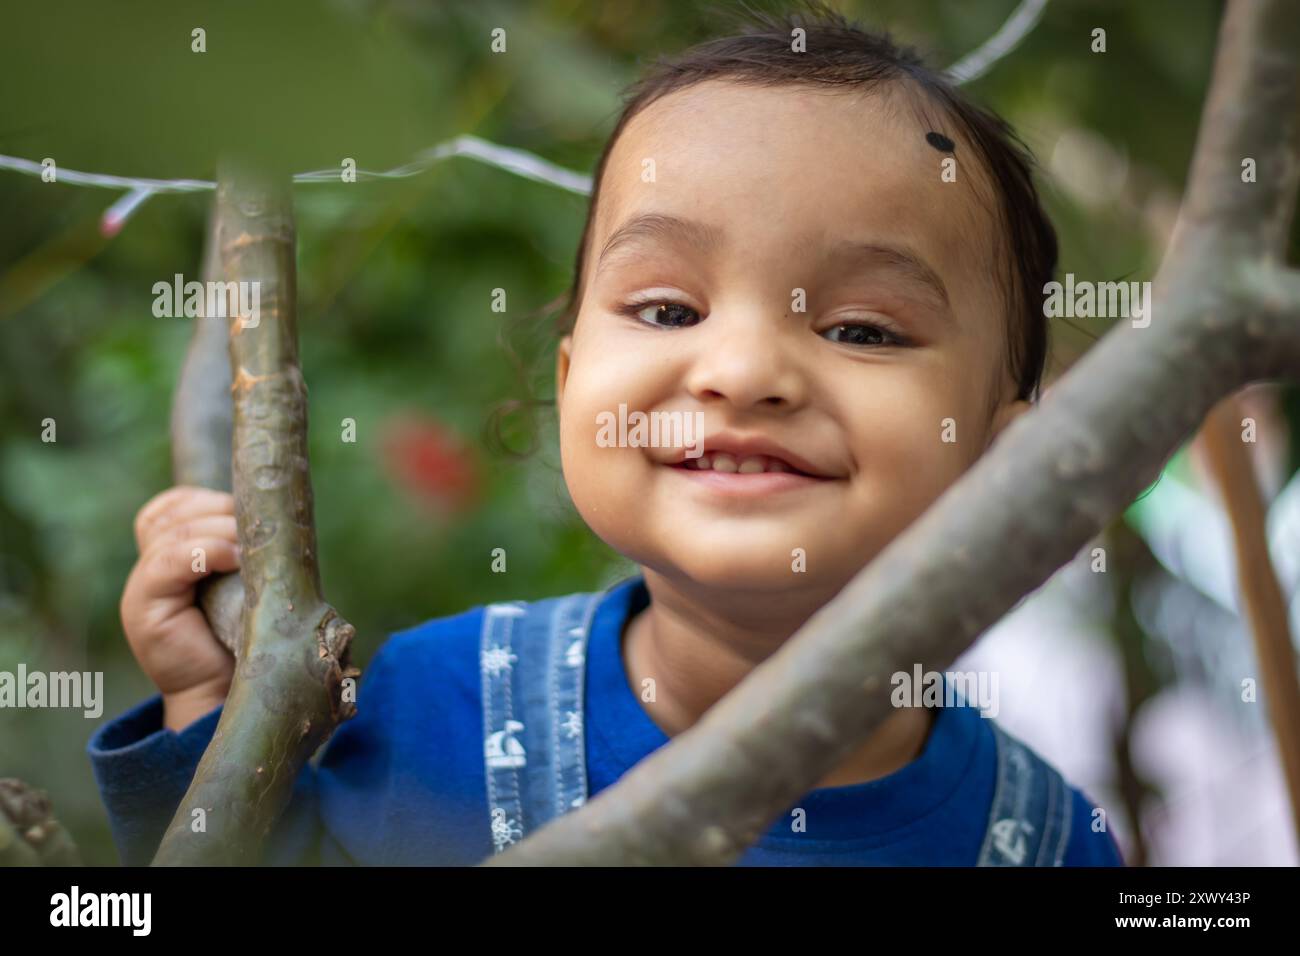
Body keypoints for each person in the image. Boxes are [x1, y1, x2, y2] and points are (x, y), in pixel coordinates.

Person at [90, 2, 1124, 867]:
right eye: (669, 309)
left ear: (1006, 466)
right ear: (572, 376)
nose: (742, 371)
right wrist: (211, 711)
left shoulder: (1046, 842)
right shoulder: (428, 708)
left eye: (860, 327)